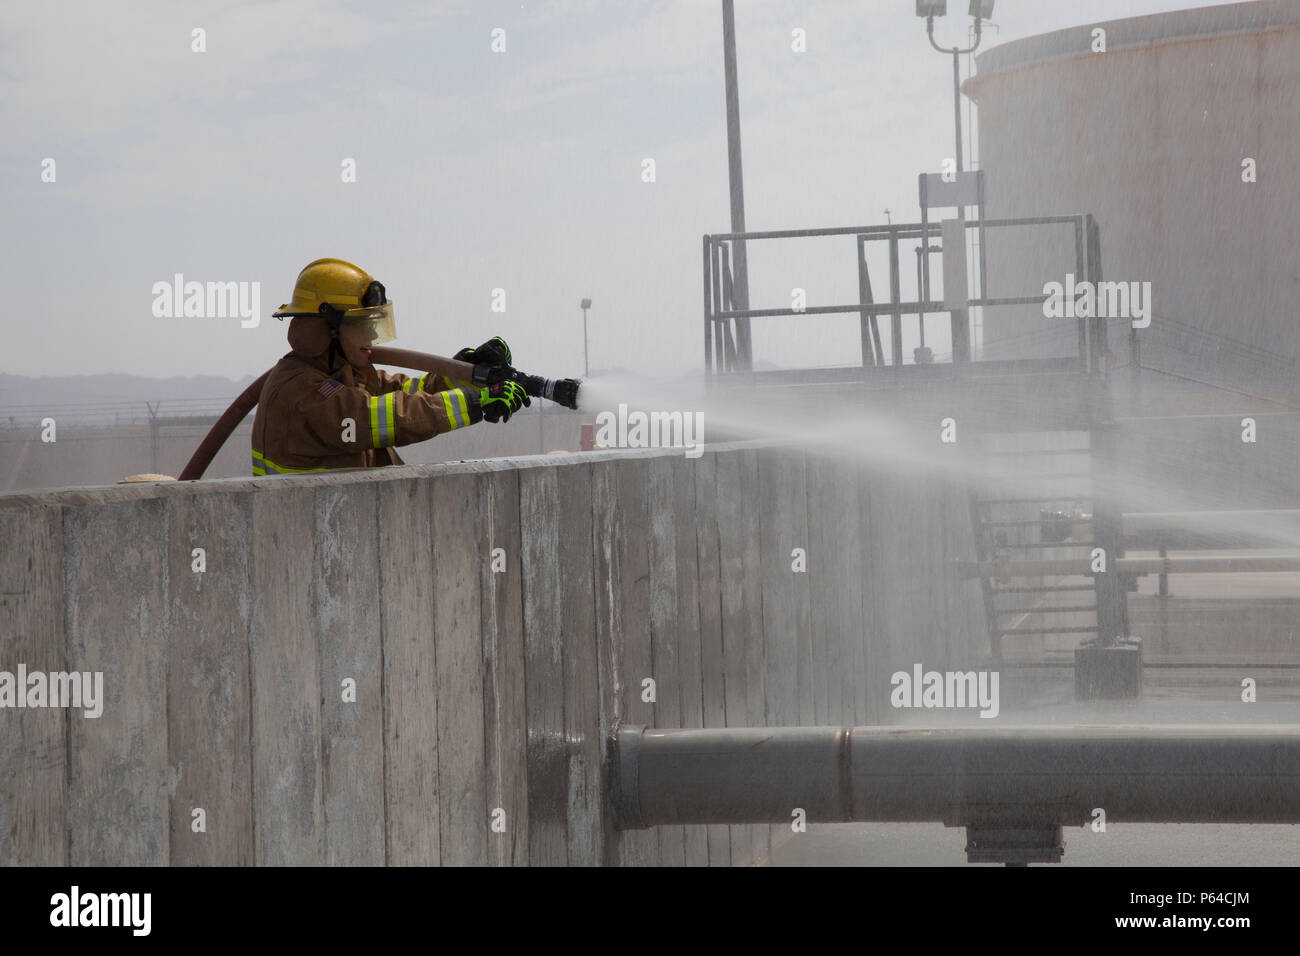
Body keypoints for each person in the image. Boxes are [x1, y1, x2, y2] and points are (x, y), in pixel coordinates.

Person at [250, 257, 527, 475]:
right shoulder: (299, 390)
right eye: (363, 324)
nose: (372, 335)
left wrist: (465, 371)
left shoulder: (347, 373)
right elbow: (379, 417)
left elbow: (408, 391)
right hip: (310, 527)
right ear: (327, 329)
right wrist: (475, 402)